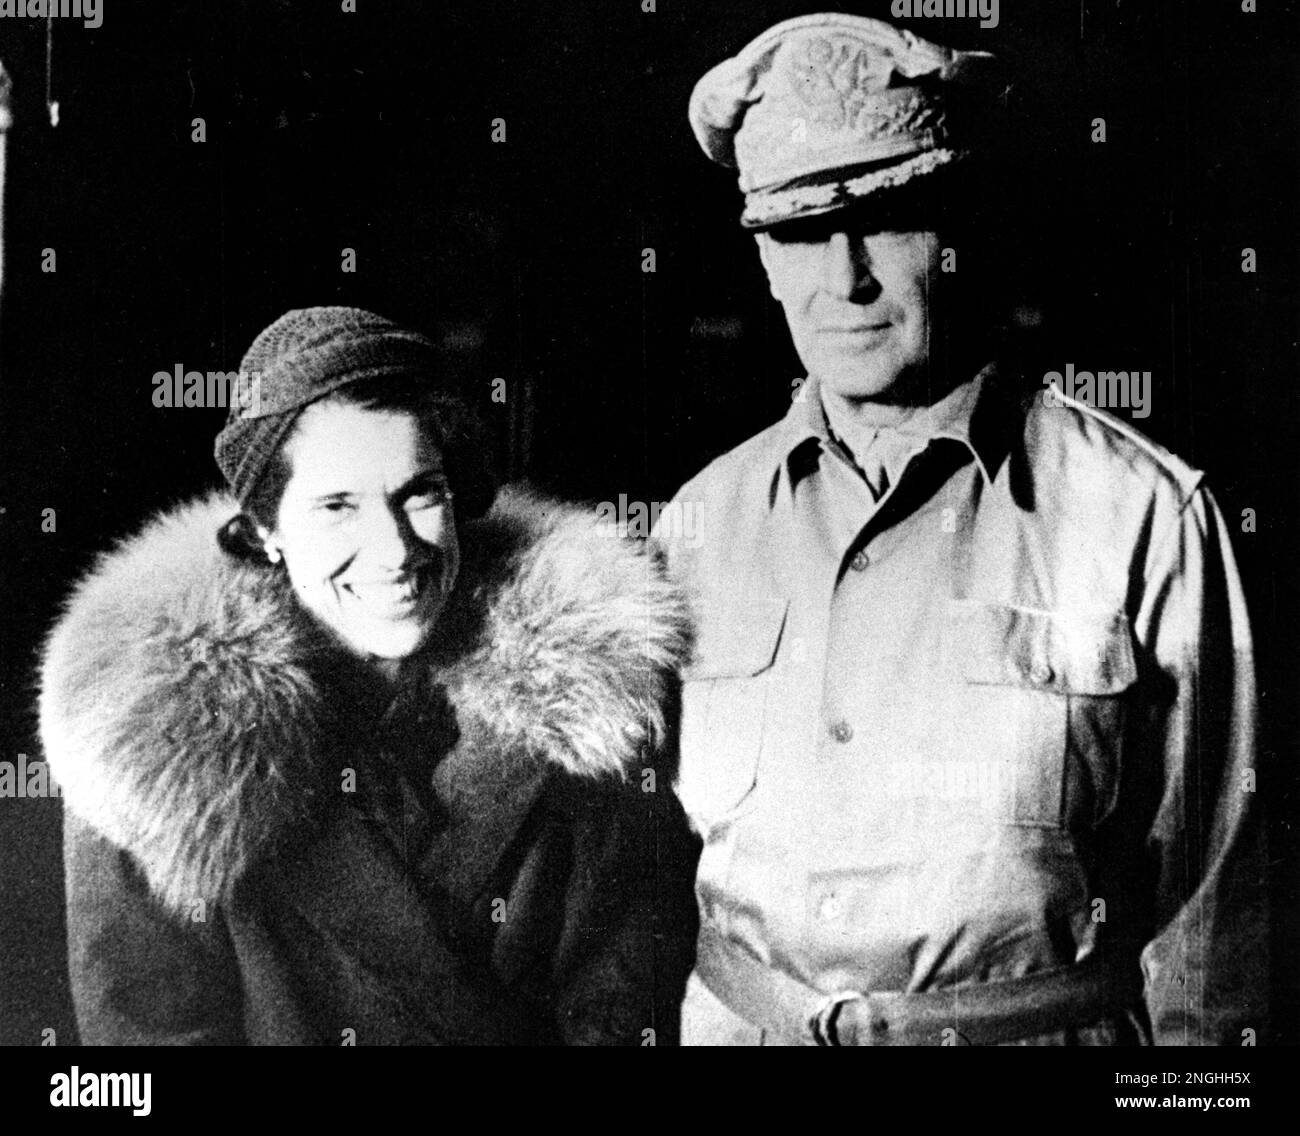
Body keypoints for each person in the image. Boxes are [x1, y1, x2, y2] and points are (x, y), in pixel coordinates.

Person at [654, 13, 1266, 1045]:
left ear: (957, 229)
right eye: (799, 231)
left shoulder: (1142, 514)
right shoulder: (696, 523)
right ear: (761, 259)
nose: (843, 278)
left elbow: (1217, 921)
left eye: (887, 218)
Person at [40, 306, 698, 1045]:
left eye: (421, 493)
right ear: (265, 534)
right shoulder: (153, 746)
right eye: (336, 507)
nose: (394, 550)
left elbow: (622, 1009)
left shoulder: (587, 711)